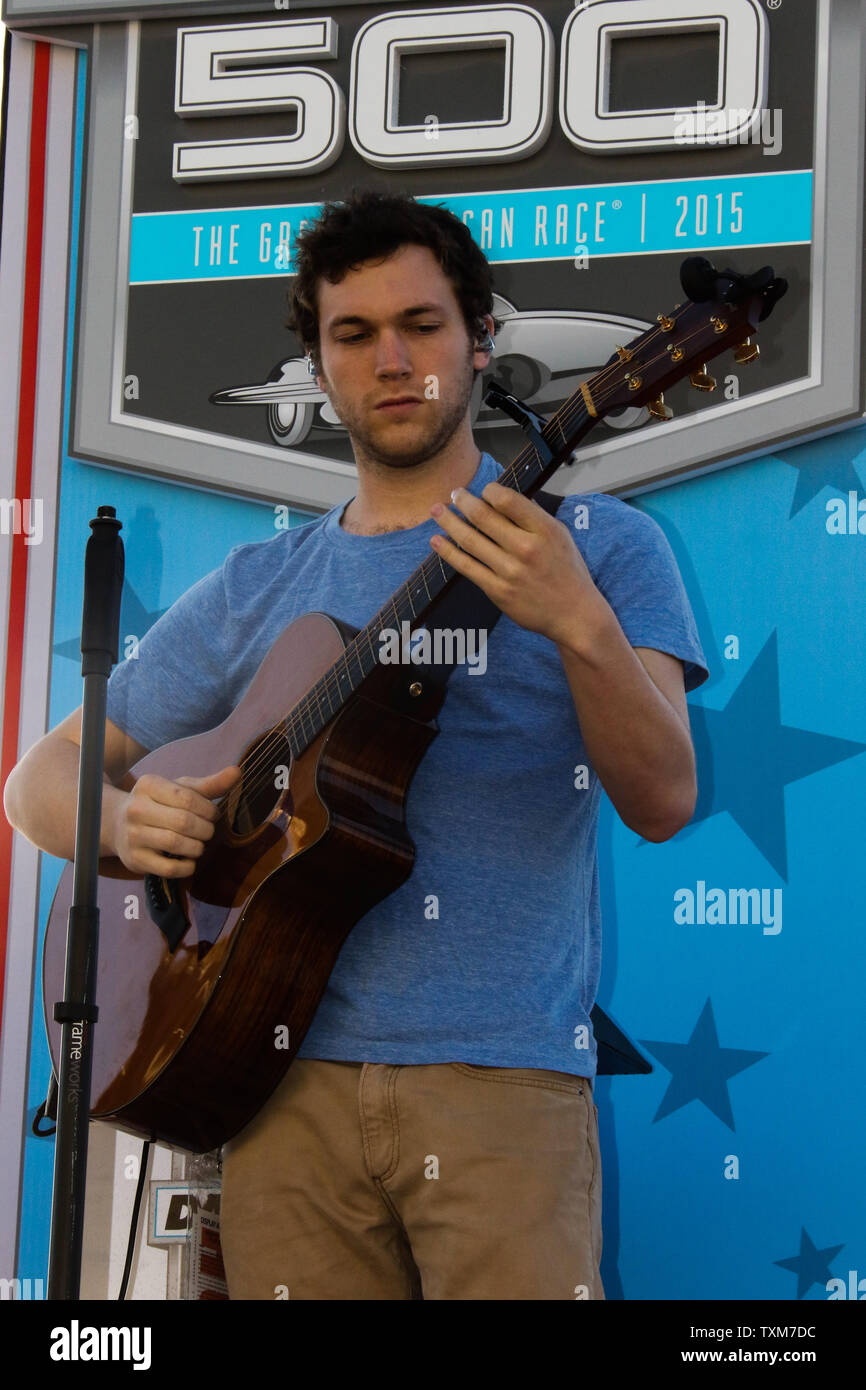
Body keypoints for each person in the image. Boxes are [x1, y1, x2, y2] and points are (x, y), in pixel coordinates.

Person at [4, 190, 708, 1300]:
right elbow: (38, 779)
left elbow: (664, 798)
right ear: (318, 366)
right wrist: (127, 820)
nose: (391, 359)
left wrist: (575, 620)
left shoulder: (600, 548)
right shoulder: (256, 584)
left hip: (500, 1086)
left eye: (421, 325)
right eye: (353, 333)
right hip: (271, 1084)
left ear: (481, 342)